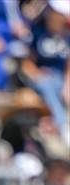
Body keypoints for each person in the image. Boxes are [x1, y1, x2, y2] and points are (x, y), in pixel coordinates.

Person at [19, 0, 70, 145]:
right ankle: (62, 125)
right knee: (48, 84)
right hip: (40, 79)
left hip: (60, 79)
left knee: (55, 84)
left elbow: (68, 65)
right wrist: (37, 74)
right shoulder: (37, 32)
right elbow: (26, 64)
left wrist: (67, 86)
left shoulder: (67, 35)